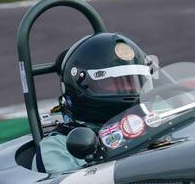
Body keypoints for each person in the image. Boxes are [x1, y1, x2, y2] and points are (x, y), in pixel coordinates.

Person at [38, 32, 153, 173]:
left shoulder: (152, 122)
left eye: (133, 81)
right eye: (115, 82)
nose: (129, 89)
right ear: (84, 84)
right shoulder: (57, 146)